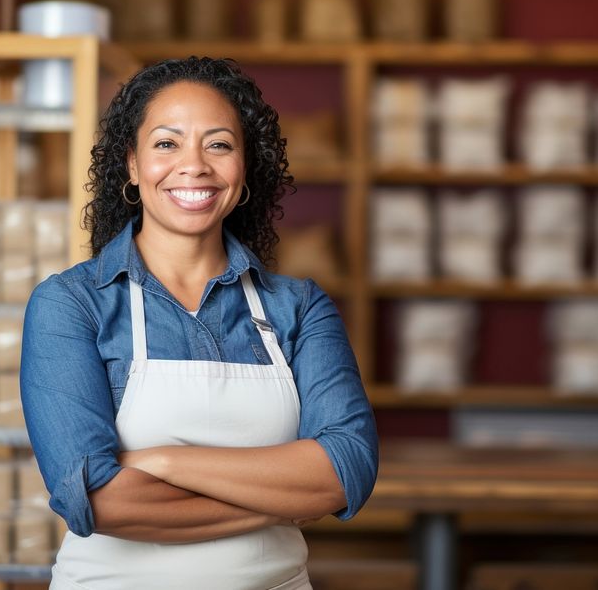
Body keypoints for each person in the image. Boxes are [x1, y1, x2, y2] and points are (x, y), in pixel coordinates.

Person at [20, 56, 379, 590]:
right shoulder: (72, 304)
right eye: (167, 143)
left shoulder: (299, 308)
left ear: (244, 169)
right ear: (133, 166)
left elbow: (346, 468)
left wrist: (162, 461)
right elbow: (96, 499)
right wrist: (282, 498)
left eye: (219, 144)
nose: (195, 165)